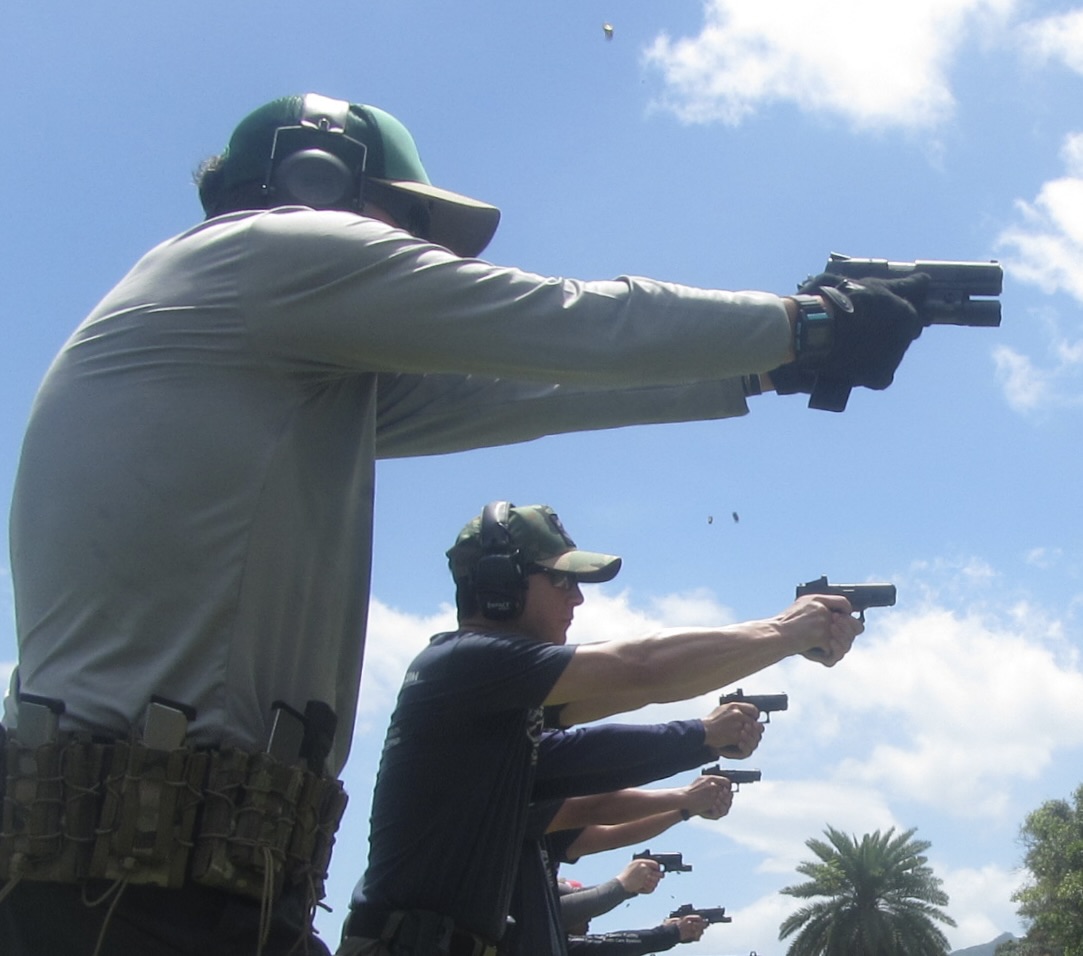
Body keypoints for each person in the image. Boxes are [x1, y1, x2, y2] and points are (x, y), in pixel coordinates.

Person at [2, 90, 922, 955]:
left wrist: (762, 368)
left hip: (164, 880)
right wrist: (802, 325)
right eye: (408, 226)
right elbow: (558, 325)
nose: (419, 258)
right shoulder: (269, 249)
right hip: (132, 891)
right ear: (318, 187)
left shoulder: (266, 354)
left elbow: (531, 390)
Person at [341, 500, 862, 956]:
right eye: (561, 579)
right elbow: (643, 668)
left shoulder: (491, 698)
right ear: (500, 585)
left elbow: (625, 699)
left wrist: (715, 721)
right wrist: (784, 632)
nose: (577, 598)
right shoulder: (465, 663)